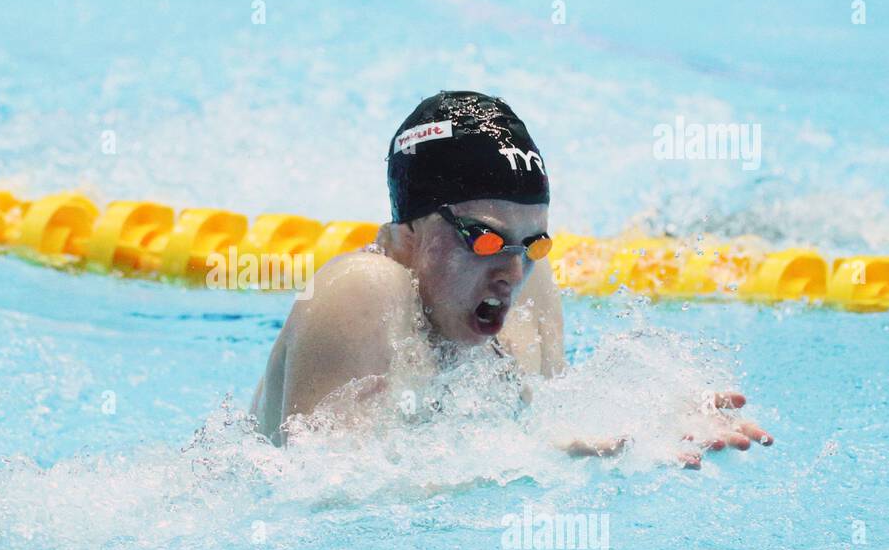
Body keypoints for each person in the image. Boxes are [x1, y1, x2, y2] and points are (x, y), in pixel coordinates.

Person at [250, 91, 771, 465]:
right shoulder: (360, 292)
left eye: (533, 244)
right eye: (483, 239)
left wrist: (649, 422)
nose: (514, 272)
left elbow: (550, 425)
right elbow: (325, 500)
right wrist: (542, 458)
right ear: (406, 234)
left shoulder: (528, 293)